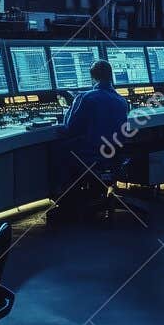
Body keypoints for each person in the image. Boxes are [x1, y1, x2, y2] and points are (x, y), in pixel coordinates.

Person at [48, 60, 131, 219]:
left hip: (90, 154)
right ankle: (92, 195)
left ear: (92, 77)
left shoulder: (86, 98)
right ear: (110, 76)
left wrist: (68, 109)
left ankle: (65, 201)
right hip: (111, 155)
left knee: (59, 147)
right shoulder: (122, 101)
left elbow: (70, 128)